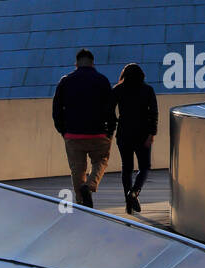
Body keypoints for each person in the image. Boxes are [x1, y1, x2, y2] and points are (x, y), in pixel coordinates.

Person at [52, 49, 115, 208]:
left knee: (77, 170)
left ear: (76, 63)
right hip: (98, 133)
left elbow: (57, 110)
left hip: (73, 134)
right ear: (93, 63)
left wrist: (63, 131)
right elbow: (110, 110)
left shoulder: (65, 81)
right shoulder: (102, 80)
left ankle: (81, 203)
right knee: (101, 160)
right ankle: (90, 185)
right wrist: (110, 132)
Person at [111, 63, 158, 214]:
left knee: (127, 168)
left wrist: (116, 123)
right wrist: (151, 133)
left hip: (124, 133)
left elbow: (109, 110)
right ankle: (134, 192)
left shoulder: (118, 90)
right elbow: (154, 113)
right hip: (142, 134)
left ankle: (128, 202)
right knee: (144, 167)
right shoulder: (148, 90)